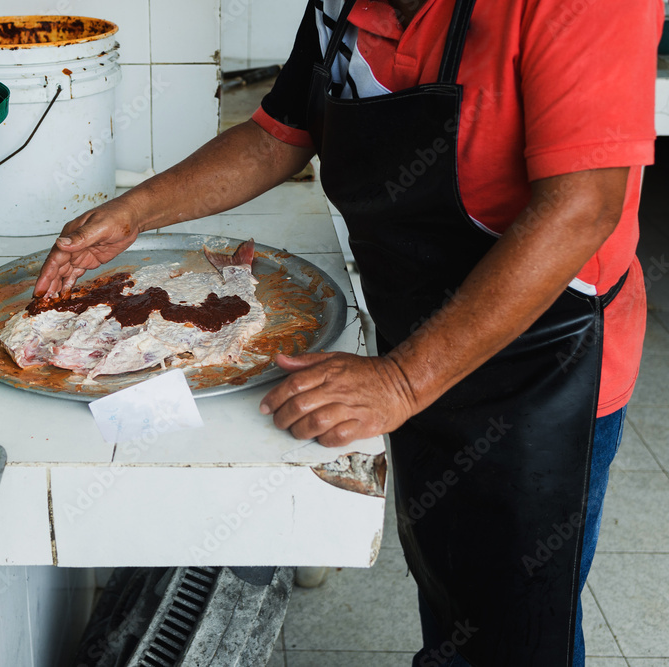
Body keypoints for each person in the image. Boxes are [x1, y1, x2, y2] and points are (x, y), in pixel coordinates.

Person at [34, 0, 661, 664]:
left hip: (540, 364)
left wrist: (401, 380)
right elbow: (281, 133)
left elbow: (582, 207)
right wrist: (136, 212)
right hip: (421, 338)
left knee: (518, 626)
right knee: (452, 585)